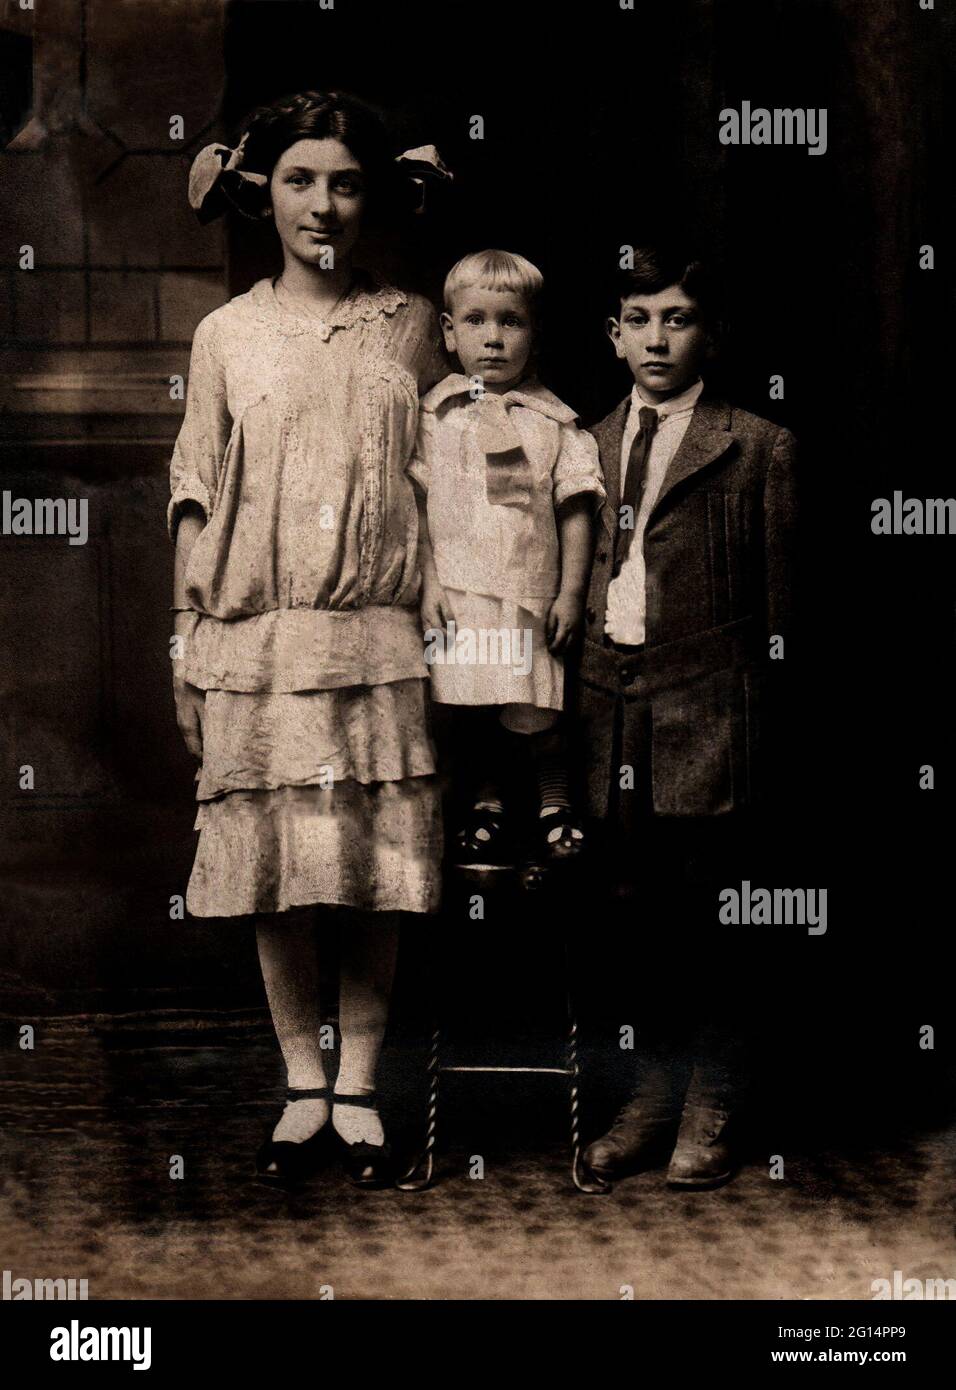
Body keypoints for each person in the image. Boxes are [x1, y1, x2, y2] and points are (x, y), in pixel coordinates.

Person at [168, 90, 450, 1187]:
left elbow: (460, 478)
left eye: (343, 183)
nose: (322, 205)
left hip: (381, 632)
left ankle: (360, 1083)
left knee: (375, 864)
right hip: (256, 637)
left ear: (371, 197)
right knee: (279, 868)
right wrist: (183, 639)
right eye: (299, 180)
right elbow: (194, 490)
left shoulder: (416, 325)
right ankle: (301, 1083)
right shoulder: (226, 334)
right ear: (262, 193)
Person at [574, 245, 798, 1188]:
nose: (657, 338)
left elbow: (783, 613)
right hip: (608, 715)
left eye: (679, 318)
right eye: (639, 319)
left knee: (717, 917)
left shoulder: (757, 445)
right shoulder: (580, 442)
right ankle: (652, 1095)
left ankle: (715, 1098)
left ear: (712, 334)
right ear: (613, 334)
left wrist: (764, 727)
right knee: (637, 924)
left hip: (712, 716)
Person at [409, 250, 604, 877]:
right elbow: (417, 510)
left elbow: (576, 510)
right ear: (448, 331)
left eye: (511, 321)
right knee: (473, 706)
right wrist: (428, 585)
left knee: (536, 706)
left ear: (535, 332)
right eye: (476, 320)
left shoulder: (557, 423)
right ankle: (486, 806)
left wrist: (570, 593)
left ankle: (555, 806)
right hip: (461, 593)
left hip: (529, 593)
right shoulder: (433, 419)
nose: (493, 337)